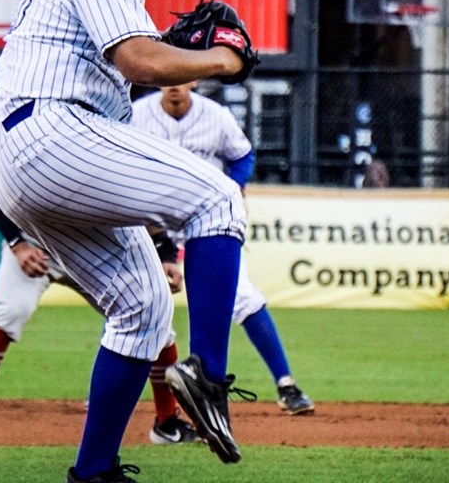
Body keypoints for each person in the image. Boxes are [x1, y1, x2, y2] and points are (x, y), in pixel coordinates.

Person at [0, 0, 253, 483]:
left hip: (28, 152)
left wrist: (181, 51)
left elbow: (134, 56)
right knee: (218, 197)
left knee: (141, 305)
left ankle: (94, 476)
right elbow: (137, 60)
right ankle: (210, 378)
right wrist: (222, 59)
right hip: (52, 132)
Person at [0, 193, 204, 448]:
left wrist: (167, 255)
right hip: (34, 243)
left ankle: (167, 422)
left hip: (87, 249)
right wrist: (18, 244)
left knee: (152, 319)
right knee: (11, 313)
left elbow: (141, 206)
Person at [130, 82, 315, 415]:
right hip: (153, 223)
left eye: (180, 77)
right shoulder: (138, 115)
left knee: (243, 296)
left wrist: (237, 185)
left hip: (205, 222)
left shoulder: (216, 116)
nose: (174, 85)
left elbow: (242, 156)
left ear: (193, 79)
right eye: (167, 77)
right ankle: (119, 393)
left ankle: (286, 384)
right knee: (134, 301)